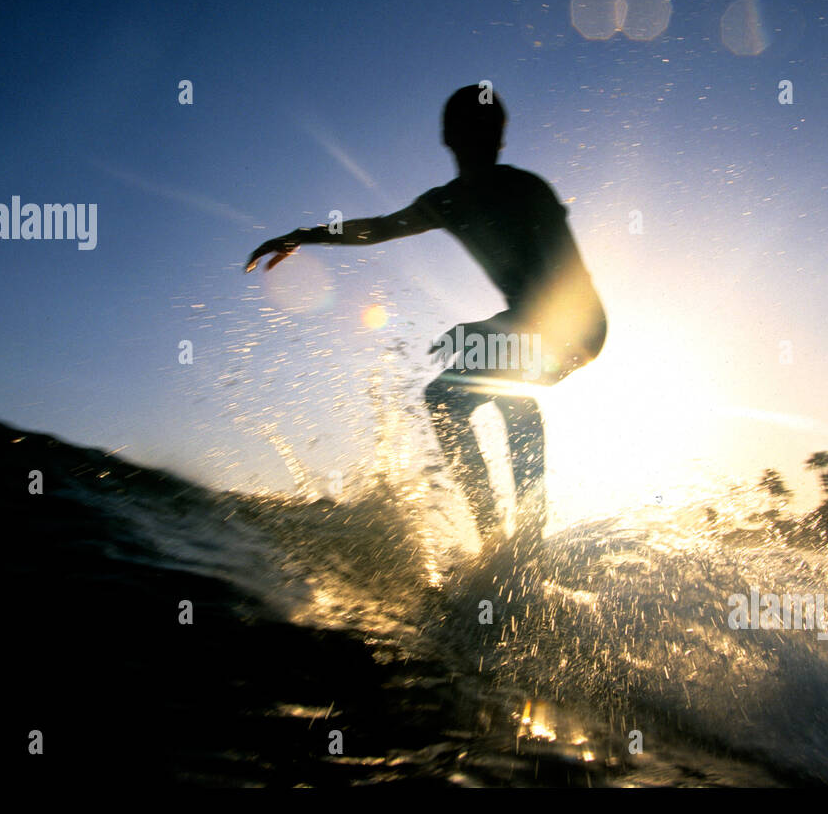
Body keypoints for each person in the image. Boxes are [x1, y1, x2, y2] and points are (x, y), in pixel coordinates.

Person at [246, 85, 606, 551]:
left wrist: (497, 329)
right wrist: (302, 235)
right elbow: (375, 229)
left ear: (500, 138)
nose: (482, 140)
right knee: (447, 399)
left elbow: (569, 283)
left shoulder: (525, 189)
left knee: (505, 384)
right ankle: (496, 538)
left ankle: (527, 540)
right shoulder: (446, 202)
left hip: (578, 325)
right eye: (472, 130)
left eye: (490, 131)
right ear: (449, 138)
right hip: (526, 325)